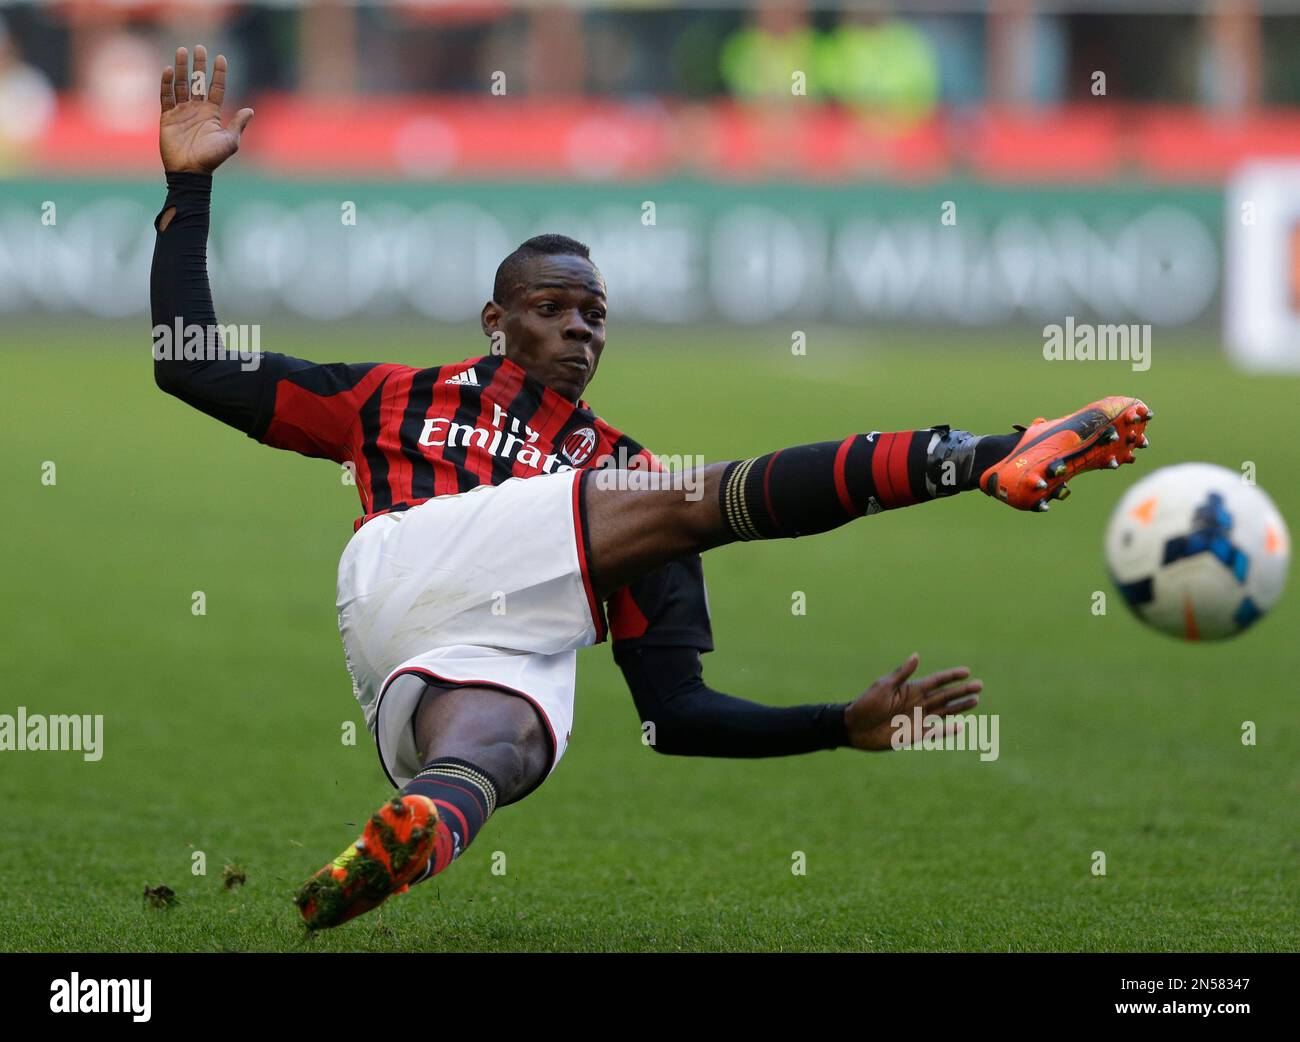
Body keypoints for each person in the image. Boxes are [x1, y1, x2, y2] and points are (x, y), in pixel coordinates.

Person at [151, 46, 1152, 930]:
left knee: (511, 741)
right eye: (553, 307)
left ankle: (425, 824)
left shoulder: (617, 488)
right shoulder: (393, 398)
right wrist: (186, 190)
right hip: (405, 554)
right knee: (692, 495)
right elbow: (188, 365)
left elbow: (674, 711)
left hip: (455, 653)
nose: (580, 327)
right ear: (496, 321)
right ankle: (984, 454)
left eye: (595, 313)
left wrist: (833, 726)